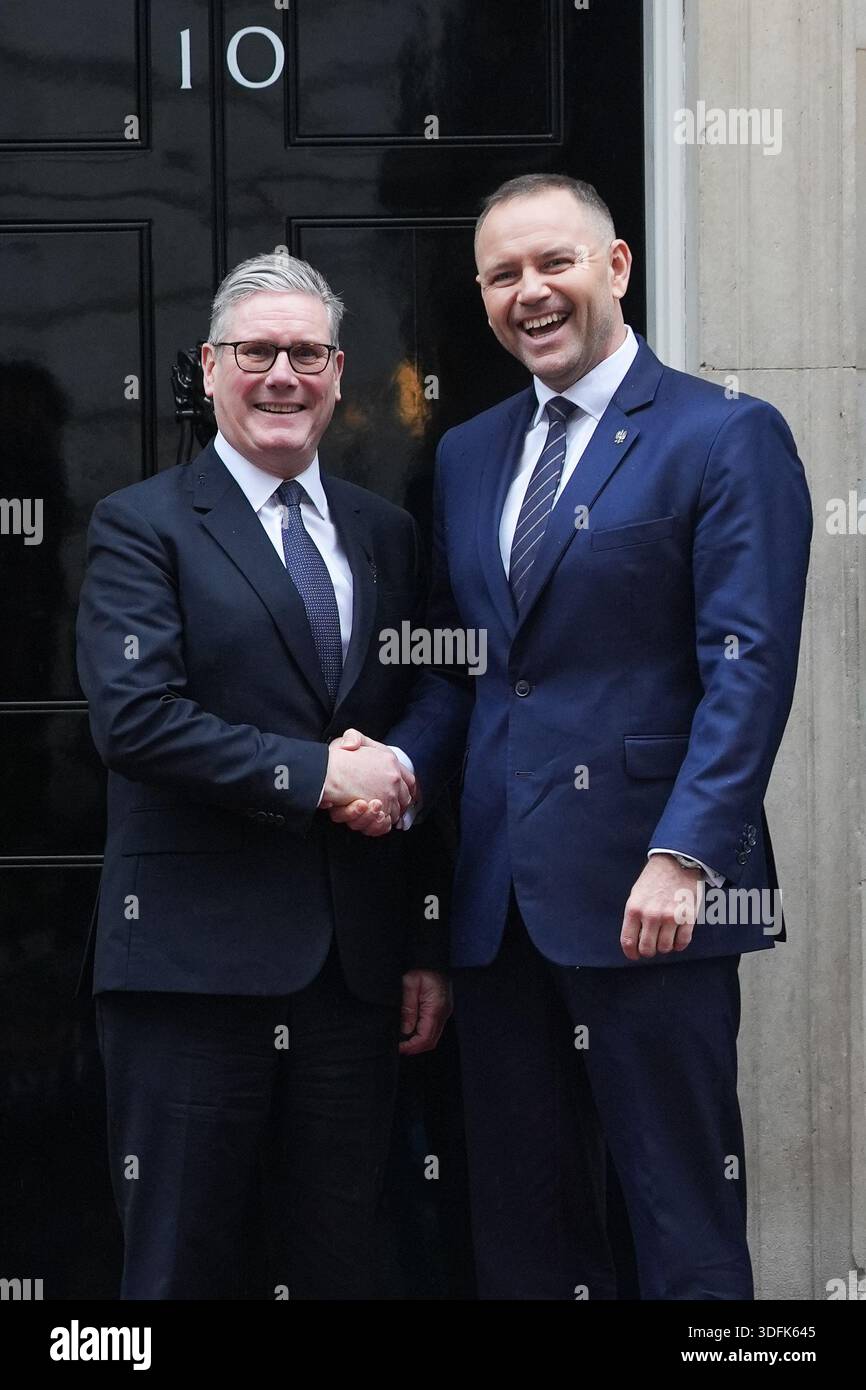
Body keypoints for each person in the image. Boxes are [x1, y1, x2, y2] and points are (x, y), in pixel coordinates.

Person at [332, 174, 812, 1299]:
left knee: (678, 1217)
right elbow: (468, 672)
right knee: (524, 1229)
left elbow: (746, 670)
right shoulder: (465, 455)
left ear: (616, 267)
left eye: (552, 262)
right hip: (500, 913)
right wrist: (399, 765)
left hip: (652, 896)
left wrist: (685, 851)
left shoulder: (724, 433)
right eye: (501, 274)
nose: (527, 292)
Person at [76, 252, 451, 1300]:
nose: (280, 374)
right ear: (208, 367)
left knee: (338, 1261)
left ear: (337, 375)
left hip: (352, 978)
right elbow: (136, 719)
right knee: (180, 1265)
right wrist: (314, 778)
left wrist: (421, 936)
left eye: (305, 353)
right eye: (256, 352)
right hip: (190, 974)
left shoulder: (386, 534)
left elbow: (419, 708)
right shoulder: (141, 525)